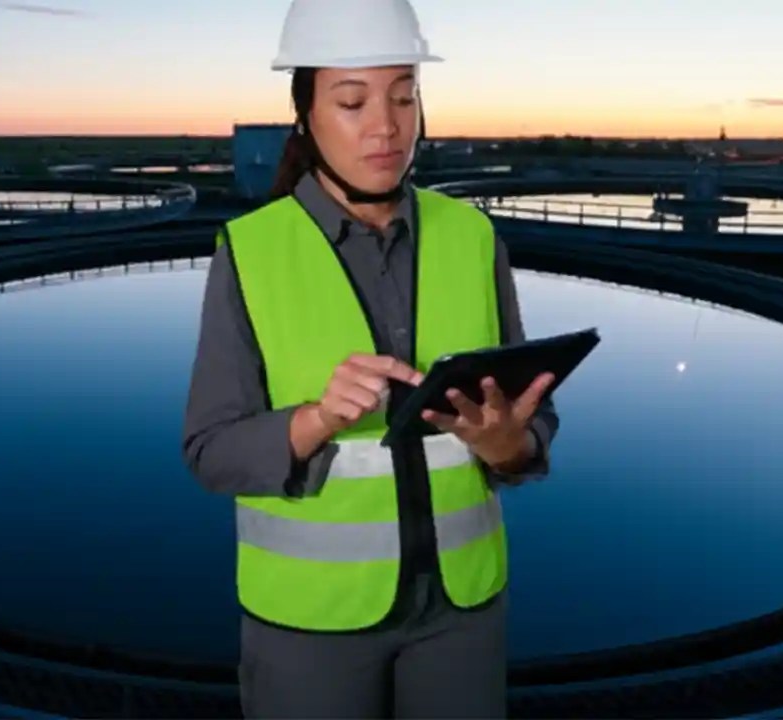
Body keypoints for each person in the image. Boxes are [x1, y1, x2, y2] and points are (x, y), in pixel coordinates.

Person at [181, 0, 560, 716]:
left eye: (404, 96)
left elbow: (529, 423)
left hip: (462, 611)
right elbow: (209, 452)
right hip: (311, 623)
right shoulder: (252, 253)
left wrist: (512, 445)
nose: (385, 126)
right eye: (352, 102)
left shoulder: (473, 238)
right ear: (306, 115)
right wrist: (315, 419)